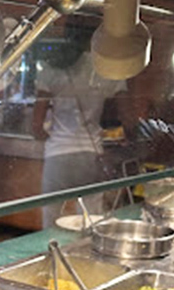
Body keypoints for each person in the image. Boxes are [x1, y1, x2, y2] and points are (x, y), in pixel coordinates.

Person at [32, 19, 126, 228]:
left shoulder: (51, 67)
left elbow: (36, 125)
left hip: (58, 153)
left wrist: (52, 135)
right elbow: (120, 115)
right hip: (91, 153)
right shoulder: (106, 68)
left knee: (51, 219)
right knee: (92, 220)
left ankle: (52, 256)